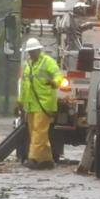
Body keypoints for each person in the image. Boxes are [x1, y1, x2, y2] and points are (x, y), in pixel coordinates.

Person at [18, 38, 63, 170]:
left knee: (38, 132)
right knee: (35, 132)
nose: (31, 53)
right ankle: (46, 159)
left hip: (44, 103)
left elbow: (58, 76)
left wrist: (55, 83)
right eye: (29, 51)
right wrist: (21, 101)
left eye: (33, 51)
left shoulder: (48, 62)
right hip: (31, 104)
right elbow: (24, 85)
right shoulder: (27, 65)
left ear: (39, 50)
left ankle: (33, 158)